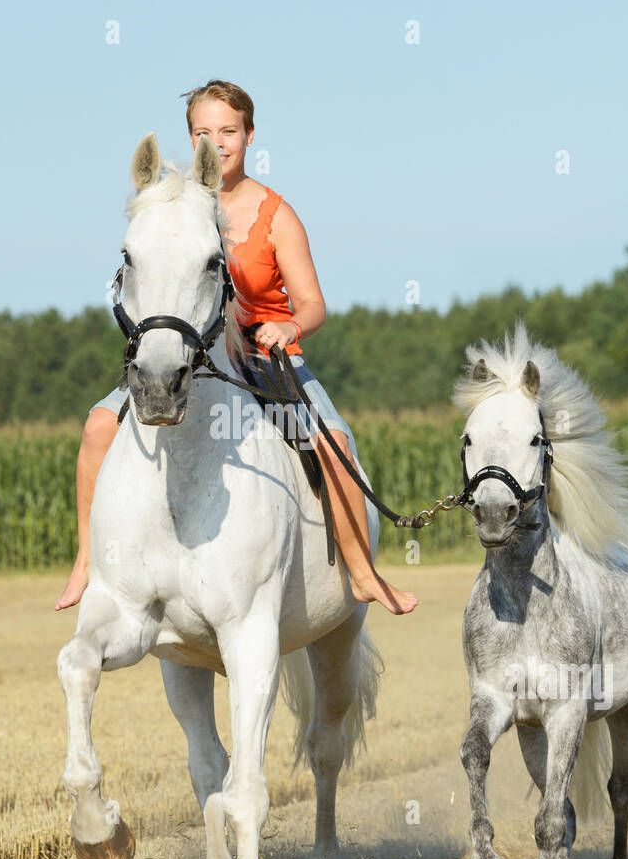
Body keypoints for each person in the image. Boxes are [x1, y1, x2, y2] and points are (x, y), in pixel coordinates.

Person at [55, 79, 417, 617]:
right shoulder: (175, 207)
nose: (218, 141)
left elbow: (313, 304)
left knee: (333, 438)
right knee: (95, 427)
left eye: (229, 130)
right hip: (188, 361)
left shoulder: (276, 214)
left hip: (268, 363)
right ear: (193, 141)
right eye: (204, 131)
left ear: (250, 135)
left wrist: (290, 328)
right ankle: (88, 560)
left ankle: (362, 574)